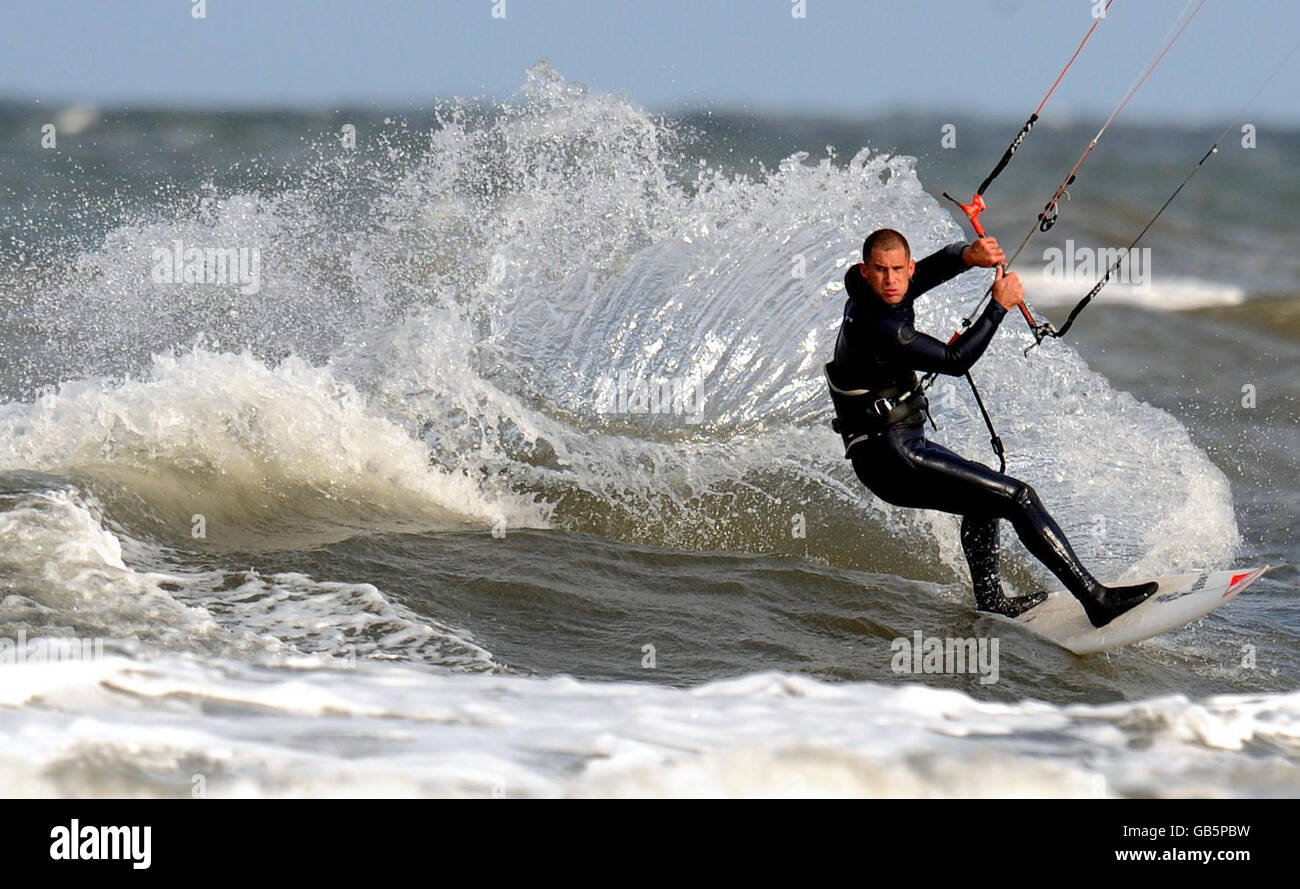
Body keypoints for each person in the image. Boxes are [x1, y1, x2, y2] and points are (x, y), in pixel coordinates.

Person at [825, 228, 1156, 627]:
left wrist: (967, 254)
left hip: (886, 447)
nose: (891, 280)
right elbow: (955, 359)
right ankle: (1097, 600)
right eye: (880, 270)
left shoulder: (863, 290)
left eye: (898, 269)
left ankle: (992, 602)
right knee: (1018, 498)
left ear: (907, 267)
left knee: (983, 499)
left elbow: (921, 277)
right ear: (866, 271)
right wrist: (999, 306)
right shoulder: (880, 327)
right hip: (892, 455)